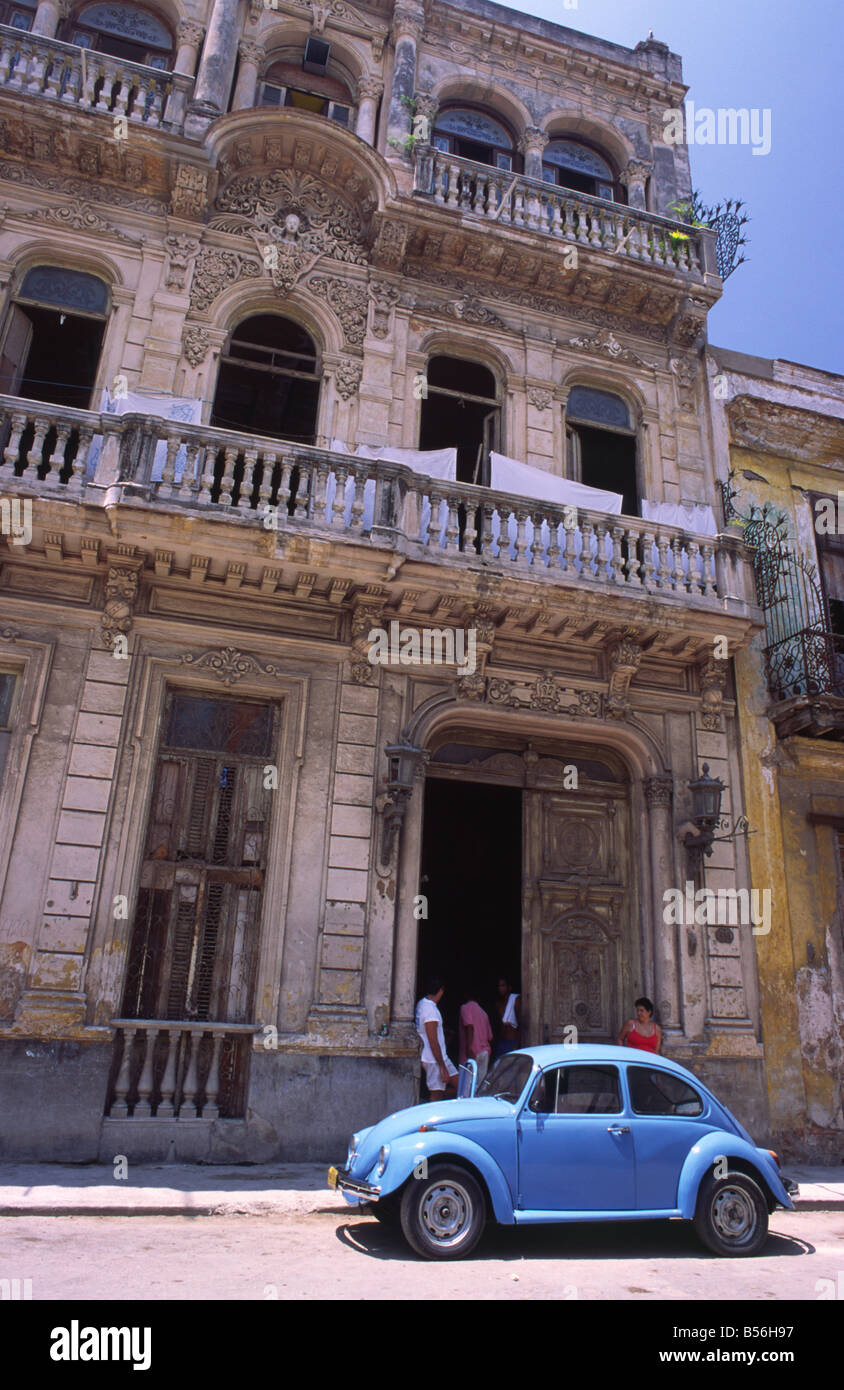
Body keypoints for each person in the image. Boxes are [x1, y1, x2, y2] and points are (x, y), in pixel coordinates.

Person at [415, 975, 459, 1101]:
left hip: (439, 1057)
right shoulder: (430, 1011)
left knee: (462, 1087)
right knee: (436, 1095)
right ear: (440, 991)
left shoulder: (422, 1004)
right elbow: (433, 1040)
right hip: (434, 1059)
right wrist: (442, 1066)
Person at [458, 986, 493, 1088]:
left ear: (466, 995)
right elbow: (490, 1037)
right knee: (480, 1087)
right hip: (485, 1052)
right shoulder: (484, 1013)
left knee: (467, 1087)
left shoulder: (465, 1008)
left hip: (472, 1053)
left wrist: (469, 1048)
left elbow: (469, 1026)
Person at [493, 976, 521, 1059]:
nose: (501, 988)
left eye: (503, 985)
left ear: (509, 987)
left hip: (512, 1042)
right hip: (501, 1042)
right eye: (499, 986)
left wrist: (516, 1045)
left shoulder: (515, 999)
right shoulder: (498, 1004)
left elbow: (520, 1024)